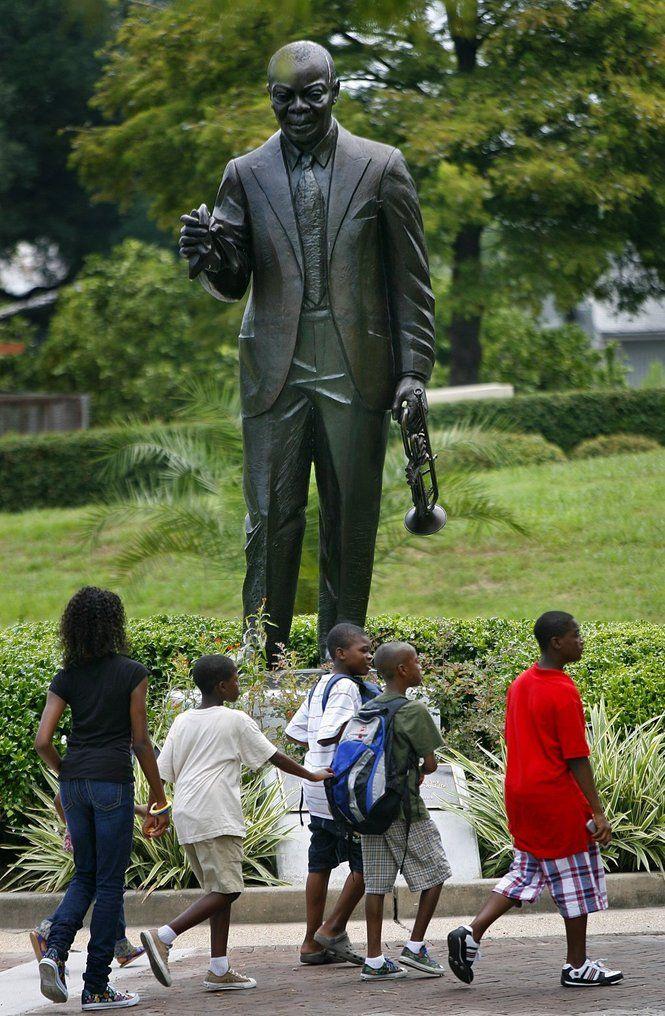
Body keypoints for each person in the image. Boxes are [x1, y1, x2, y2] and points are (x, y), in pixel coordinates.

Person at [178, 40, 435, 663]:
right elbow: (232, 277)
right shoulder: (244, 172)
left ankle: (341, 665)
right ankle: (263, 661)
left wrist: (412, 371)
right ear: (270, 98)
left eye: (311, 95)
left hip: (355, 366)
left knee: (350, 523)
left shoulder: (381, 167)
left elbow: (411, 281)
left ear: (336, 91)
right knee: (270, 520)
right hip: (275, 367)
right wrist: (207, 256)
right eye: (283, 97)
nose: (297, 108)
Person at [447, 611, 623, 988]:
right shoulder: (562, 689)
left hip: (520, 793)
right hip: (556, 797)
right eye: (575, 635)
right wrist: (597, 809)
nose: (581, 641)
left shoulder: (522, 682)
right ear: (556, 642)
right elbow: (576, 755)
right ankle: (576, 966)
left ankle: (471, 932)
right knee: (575, 880)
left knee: (528, 870)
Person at [139, 653, 333, 992]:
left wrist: (157, 809)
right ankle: (164, 937)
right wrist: (312, 775)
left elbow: (163, 771)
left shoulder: (183, 720)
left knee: (217, 892)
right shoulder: (235, 720)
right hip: (217, 815)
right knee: (229, 890)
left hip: (188, 815)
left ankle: (219, 968)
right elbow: (274, 756)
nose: (238, 684)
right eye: (235, 679)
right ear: (222, 685)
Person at [34, 586, 169, 1011]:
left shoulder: (67, 677)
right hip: (112, 780)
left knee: (85, 877)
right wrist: (159, 795)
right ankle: (96, 987)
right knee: (110, 883)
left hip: (74, 783)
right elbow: (141, 742)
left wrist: (69, 772)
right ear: (115, 623)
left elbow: (42, 741)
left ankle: (55, 954)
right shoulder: (132, 672)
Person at [285, 623, 375, 965]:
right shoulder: (347, 689)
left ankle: (311, 942)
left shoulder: (321, 684)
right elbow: (328, 735)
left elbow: (296, 733)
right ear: (340, 654)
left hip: (316, 783)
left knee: (320, 860)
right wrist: (367, 721)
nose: (369, 656)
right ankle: (332, 929)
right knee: (368, 860)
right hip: (339, 785)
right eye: (363, 651)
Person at [360, 642, 451, 981]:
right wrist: (420, 770)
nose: (419, 665)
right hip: (404, 811)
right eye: (415, 661)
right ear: (402, 670)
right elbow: (430, 762)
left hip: (371, 811)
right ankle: (414, 947)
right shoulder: (412, 710)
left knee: (376, 885)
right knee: (437, 872)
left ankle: (373, 960)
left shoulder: (369, 708)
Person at [30, 793, 146, 969]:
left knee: (102, 885)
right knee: (106, 885)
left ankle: (121, 945)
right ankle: (49, 929)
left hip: (84, 830)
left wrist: (72, 827)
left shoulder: (75, 774)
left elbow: (59, 800)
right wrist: (141, 809)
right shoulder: (96, 770)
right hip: (101, 833)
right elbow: (112, 799)